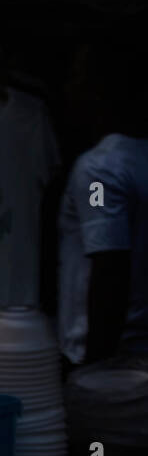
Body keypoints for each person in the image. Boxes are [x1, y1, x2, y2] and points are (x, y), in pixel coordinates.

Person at [57, 42, 148, 366]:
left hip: (113, 359)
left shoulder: (100, 169)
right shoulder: (136, 157)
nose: (68, 91)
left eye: (76, 79)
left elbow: (110, 264)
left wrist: (96, 365)